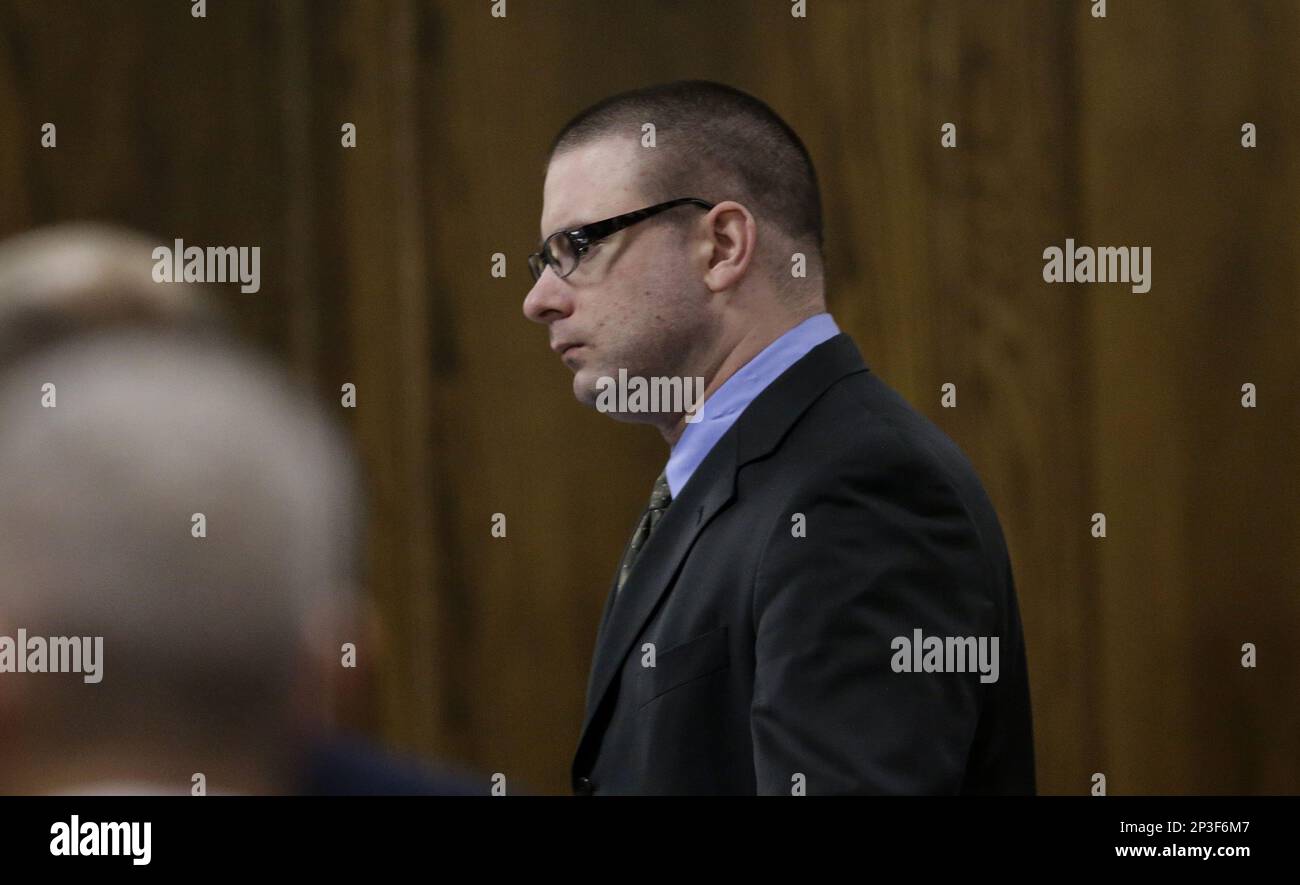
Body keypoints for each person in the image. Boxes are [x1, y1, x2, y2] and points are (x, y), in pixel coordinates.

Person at [522, 80, 1036, 795]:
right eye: (541, 260)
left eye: (577, 245)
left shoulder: (859, 490)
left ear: (723, 245)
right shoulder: (726, 480)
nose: (539, 298)